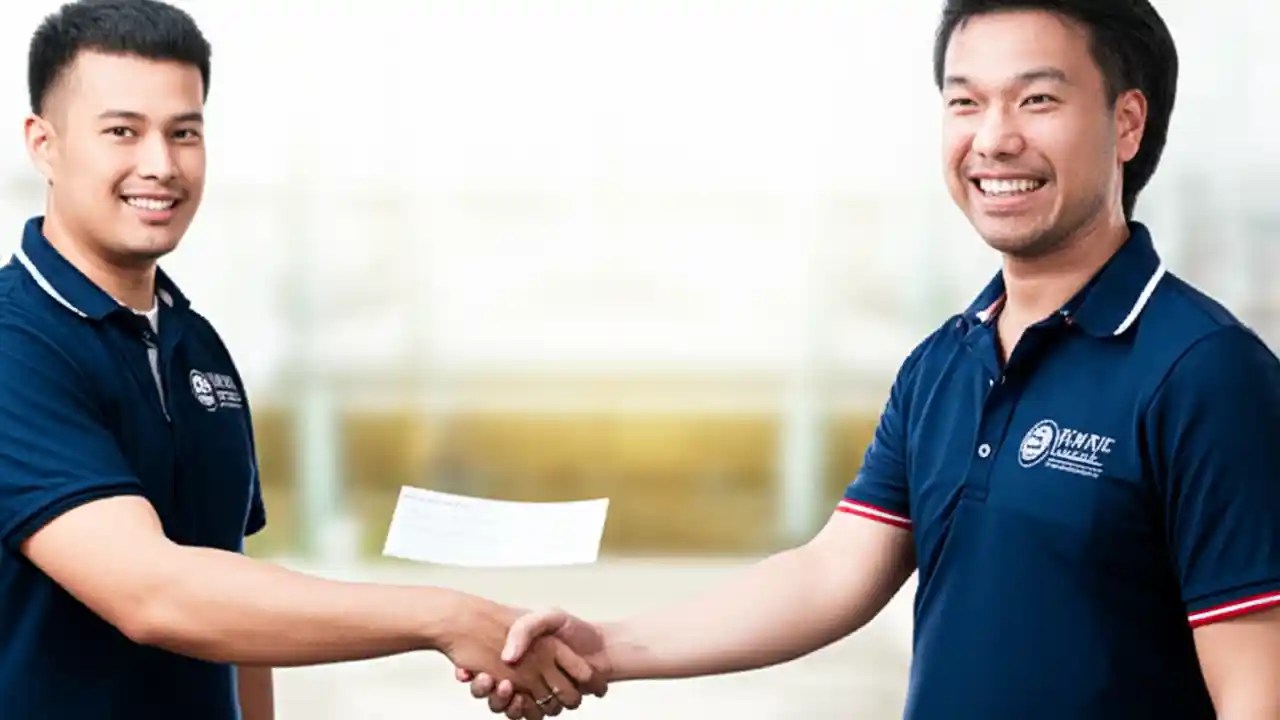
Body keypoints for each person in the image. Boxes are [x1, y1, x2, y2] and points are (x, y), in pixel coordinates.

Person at [459, 1, 1280, 718]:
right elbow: (831, 574)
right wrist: (603, 648)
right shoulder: (942, 365)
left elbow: (1260, 691)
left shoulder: (1207, 374)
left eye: (1037, 99)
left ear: (1127, 123)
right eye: (966, 102)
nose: (994, 138)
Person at [0, 2, 600, 719]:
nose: (159, 165)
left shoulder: (197, 345)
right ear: (44, 143)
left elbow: (230, 596)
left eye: (184, 133)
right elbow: (155, 594)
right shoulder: (15, 342)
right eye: (122, 132)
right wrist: (443, 617)